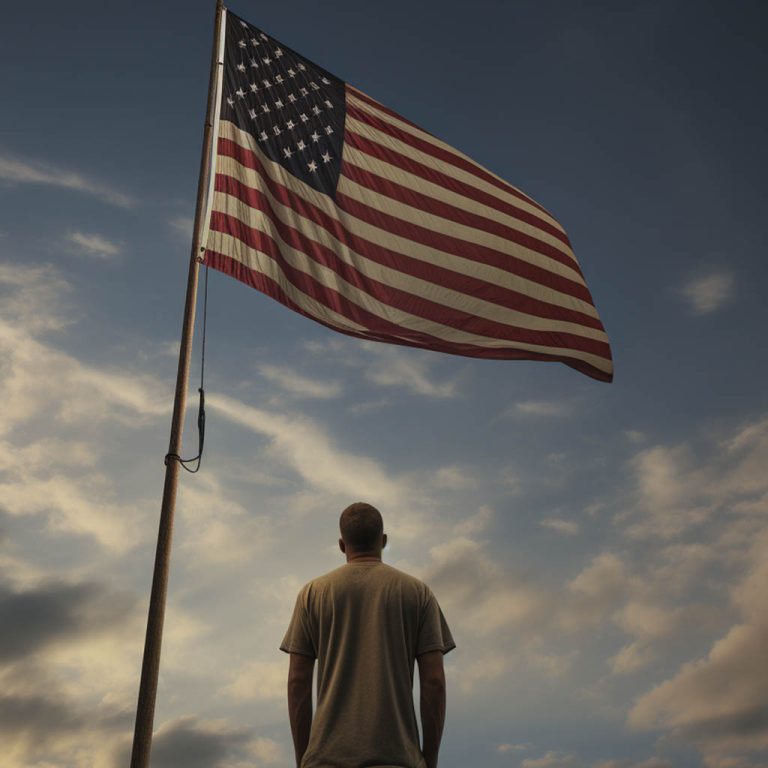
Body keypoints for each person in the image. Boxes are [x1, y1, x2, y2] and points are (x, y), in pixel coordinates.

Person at [280, 502, 456, 768]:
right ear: (383, 541)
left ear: (342, 545)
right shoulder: (418, 593)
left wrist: (303, 760)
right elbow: (434, 683)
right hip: (398, 760)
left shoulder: (311, 594)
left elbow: (297, 683)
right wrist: (429, 761)